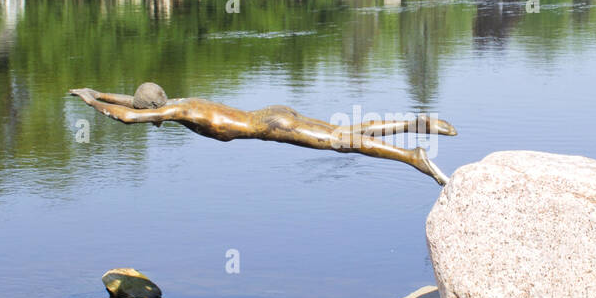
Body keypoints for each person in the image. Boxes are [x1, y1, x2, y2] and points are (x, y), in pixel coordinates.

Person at [69, 83, 455, 184]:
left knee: (343, 142)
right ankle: (415, 123)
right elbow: (133, 105)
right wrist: (99, 92)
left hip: (272, 126)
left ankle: (411, 156)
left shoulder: (175, 112)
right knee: (345, 133)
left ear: (157, 110)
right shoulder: (179, 101)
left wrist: (92, 104)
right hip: (274, 113)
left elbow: (127, 118)